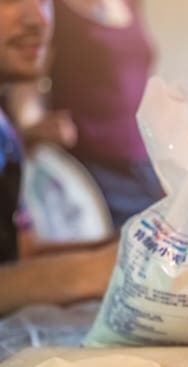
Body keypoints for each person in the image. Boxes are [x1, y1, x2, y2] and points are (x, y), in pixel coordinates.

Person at [0, 0, 116, 315]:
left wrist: (126, 247)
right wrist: (95, 270)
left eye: (44, 0)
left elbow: (20, 256)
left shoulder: (5, 133)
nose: (37, 18)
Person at [18, 0, 162, 230]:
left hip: (145, 162)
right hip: (93, 167)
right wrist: (35, 127)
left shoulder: (131, 4)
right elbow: (26, 83)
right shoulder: (55, 10)